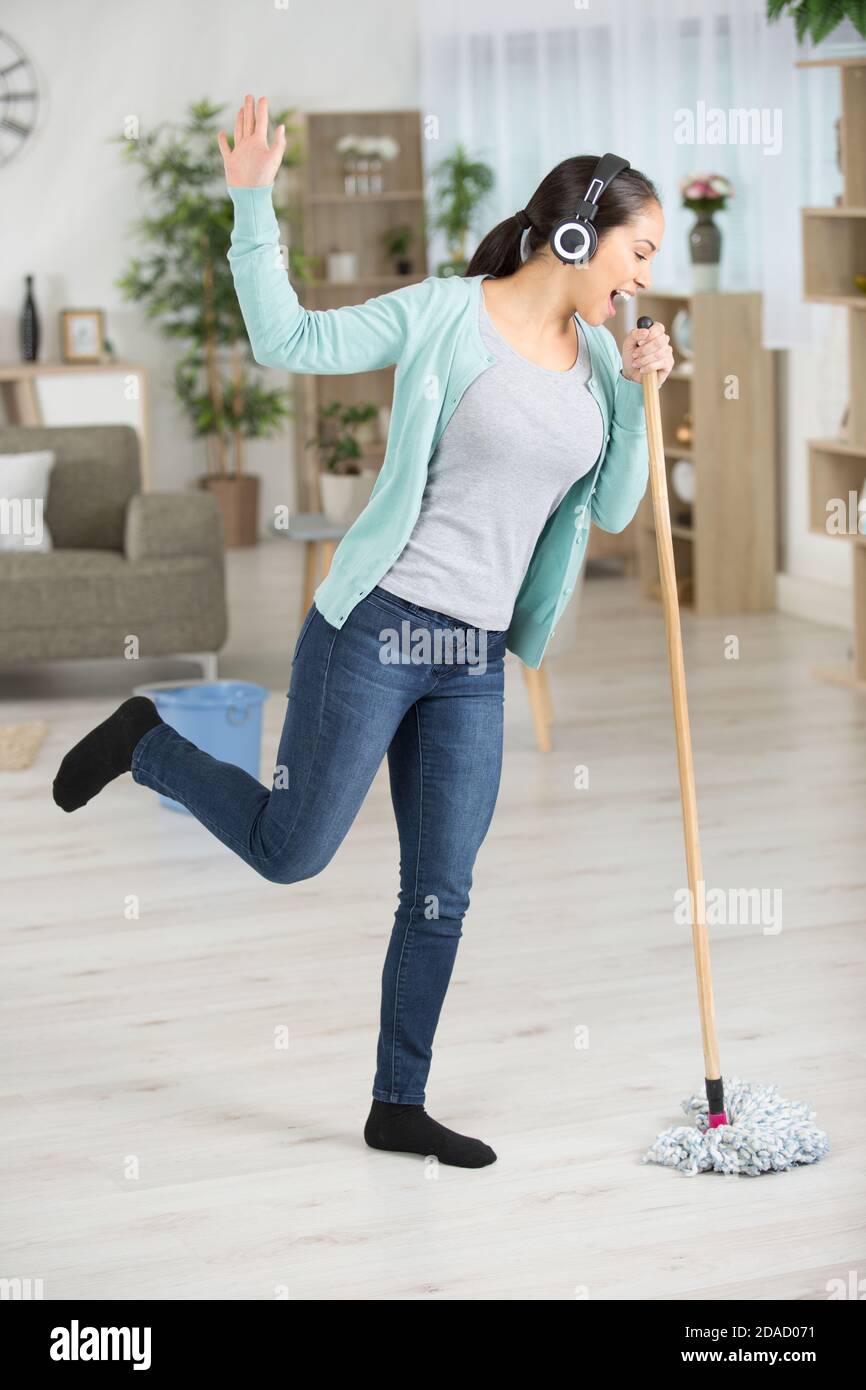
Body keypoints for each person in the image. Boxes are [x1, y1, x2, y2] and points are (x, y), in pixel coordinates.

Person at [53, 95, 673, 1169]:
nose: (644, 276)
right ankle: (144, 739)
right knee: (292, 853)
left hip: (471, 659)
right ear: (575, 233)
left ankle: (398, 1102)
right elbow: (284, 337)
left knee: (441, 888)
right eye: (637, 249)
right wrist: (252, 199)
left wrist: (641, 393)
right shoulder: (443, 313)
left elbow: (611, 508)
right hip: (380, 628)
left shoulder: (601, 365)